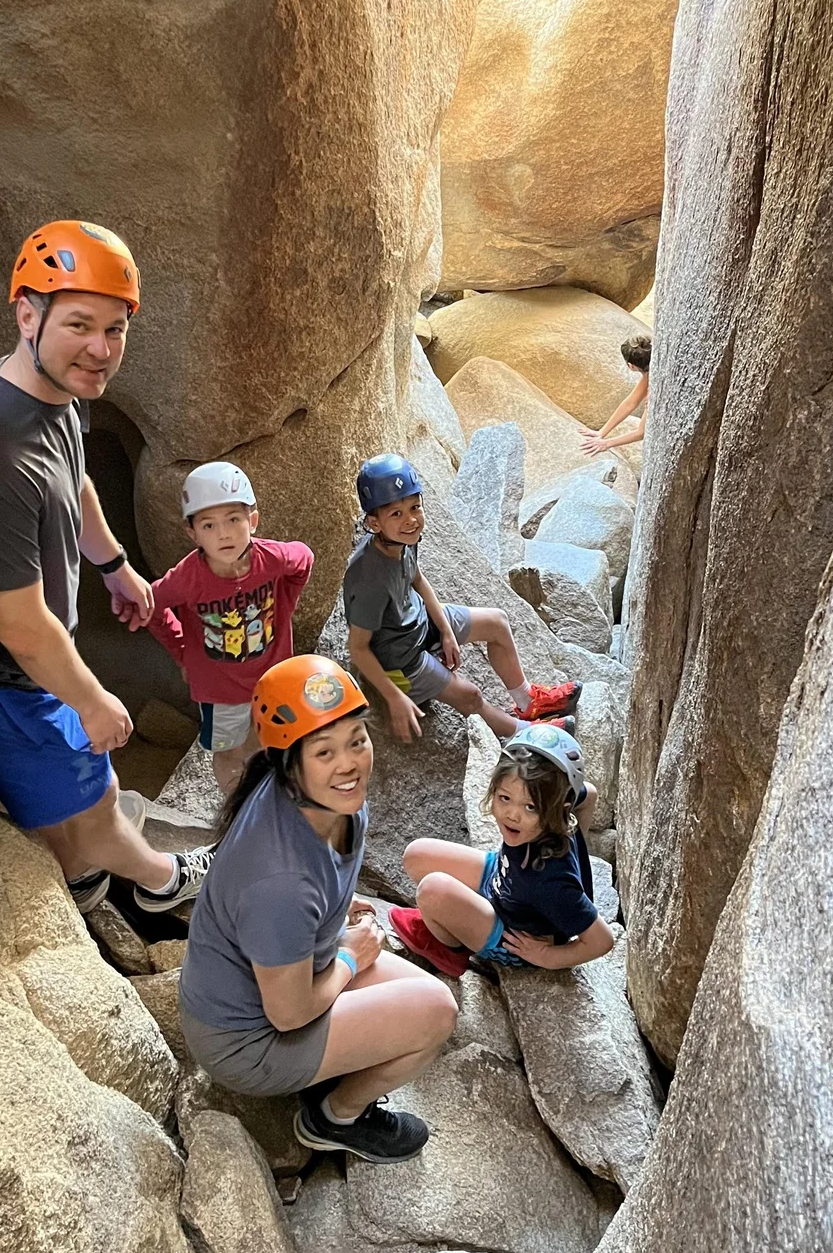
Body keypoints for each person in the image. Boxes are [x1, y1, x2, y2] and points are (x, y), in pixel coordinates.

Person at [0, 219, 211, 915]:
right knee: (96, 801)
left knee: (75, 796)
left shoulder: (52, 392)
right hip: (14, 684)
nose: (101, 351)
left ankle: (79, 879)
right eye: (79, 325)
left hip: (35, 668)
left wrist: (114, 565)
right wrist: (91, 699)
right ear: (27, 315)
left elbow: (75, 483)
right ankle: (163, 882)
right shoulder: (1, 454)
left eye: (115, 329)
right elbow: (19, 623)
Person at [178, 654, 457, 1164]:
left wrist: (338, 912)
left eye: (357, 740)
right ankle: (334, 1118)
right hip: (247, 1042)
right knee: (436, 1012)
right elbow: (288, 1015)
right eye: (324, 751)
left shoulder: (329, 801)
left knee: (425, 998)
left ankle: (330, 1067)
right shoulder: (278, 882)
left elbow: (317, 883)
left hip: (296, 973)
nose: (349, 764)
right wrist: (350, 956)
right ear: (289, 763)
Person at [343, 453, 576, 744]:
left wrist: (445, 630)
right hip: (399, 660)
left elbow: (417, 579)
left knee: (497, 622)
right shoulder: (369, 578)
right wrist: (393, 697)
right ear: (374, 523)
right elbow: (358, 649)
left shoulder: (401, 540)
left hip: (417, 623)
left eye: (415, 507)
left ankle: (527, 701)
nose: (411, 520)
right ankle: (526, 734)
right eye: (396, 514)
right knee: (470, 696)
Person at [387, 721, 616, 978]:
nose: (512, 815)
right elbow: (589, 794)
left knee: (432, 890)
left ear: (558, 807)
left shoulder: (552, 884)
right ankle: (458, 916)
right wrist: (574, 848)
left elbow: (602, 941)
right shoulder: (558, 805)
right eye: (504, 798)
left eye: (530, 807)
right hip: (503, 876)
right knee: (416, 854)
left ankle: (450, 949)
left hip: (509, 934)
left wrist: (547, 956)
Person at [147, 462, 314, 798]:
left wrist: (285, 606)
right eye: (209, 524)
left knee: (271, 737)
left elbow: (304, 559)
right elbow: (151, 605)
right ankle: (236, 804)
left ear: (253, 520)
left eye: (234, 519)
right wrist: (182, 652)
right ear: (192, 533)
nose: (223, 533)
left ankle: (271, 793)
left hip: (273, 678)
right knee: (228, 750)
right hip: (219, 691)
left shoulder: (272, 558)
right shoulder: (188, 578)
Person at [581, 334, 650, 456]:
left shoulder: (653, 392)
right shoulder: (650, 374)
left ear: (630, 366)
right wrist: (602, 432)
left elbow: (642, 432)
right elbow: (630, 403)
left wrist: (606, 443)